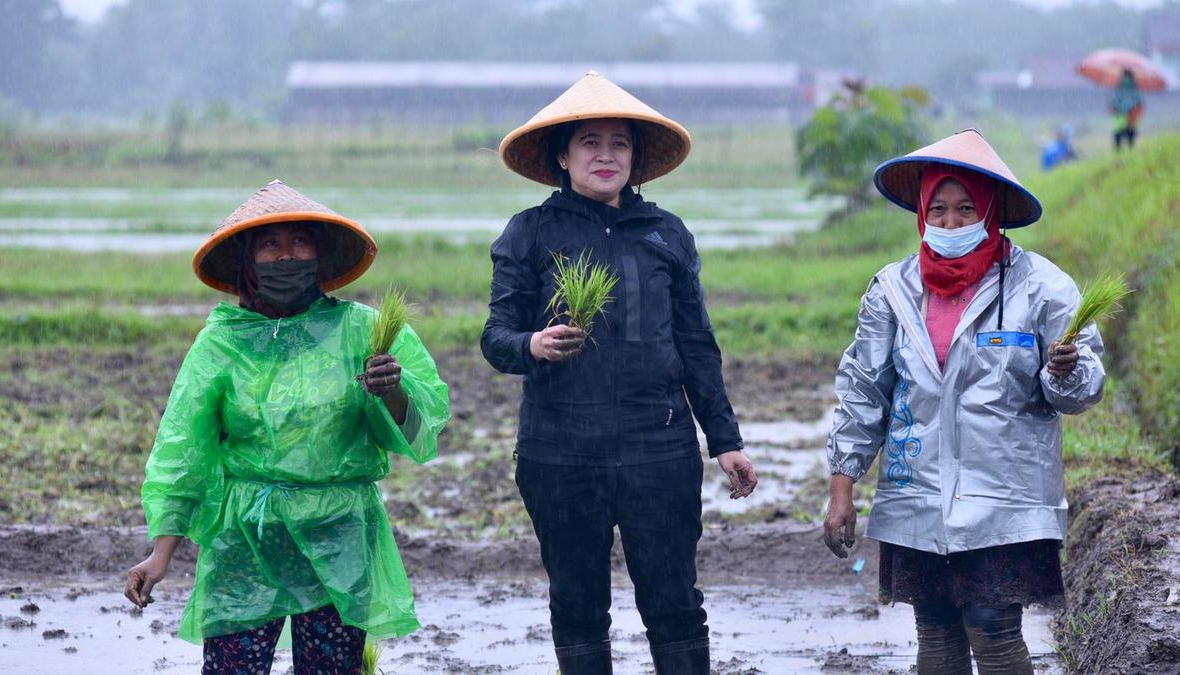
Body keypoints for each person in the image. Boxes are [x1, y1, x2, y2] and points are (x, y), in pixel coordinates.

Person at [482, 71, 758, 675]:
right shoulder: (529, 233)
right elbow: (495, 339)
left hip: (657, 446)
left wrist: (726, 440)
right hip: (559, 450)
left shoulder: (665, 233)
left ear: (636, 157)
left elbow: (697, 346)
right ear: (562, 155)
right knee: (577, 605)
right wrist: (533, 344)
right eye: (590, 142)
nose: (606, 155)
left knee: (675, 601)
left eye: (620, 143)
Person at [124, 180, 450, 674]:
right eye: (270, 243)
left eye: (300, 241)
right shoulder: (222, 343)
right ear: (247, 259)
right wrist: (161, 553)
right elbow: (183, 448)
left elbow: (420, 425)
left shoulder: (363, 330)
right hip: (247, 538)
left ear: (319, 254)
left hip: (338, 533)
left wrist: (392, 389)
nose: (286, 256)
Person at [823, 129, 1105, 674]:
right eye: (940, 211)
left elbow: (1081, 388)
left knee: (994, 628)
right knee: (936, 630)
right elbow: (863, 392)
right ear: (923, 215)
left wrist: (1064, 371)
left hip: (1006, 495)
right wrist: (842, 489)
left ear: (991, 211)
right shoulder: (893, 291)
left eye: (965, 210)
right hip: (918, 491)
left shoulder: (1041, 288)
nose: (951, 225)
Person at [1110, 69, 1144, 150]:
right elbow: (1140, 104)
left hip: (1120, 117)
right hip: (1132, 117)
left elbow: (1113, 103)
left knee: (1118, 137)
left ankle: (1118, 153)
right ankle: (1130, 153)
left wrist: (1118, 109)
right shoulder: (1135, 89)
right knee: (1130, 139)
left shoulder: (1118, 89)